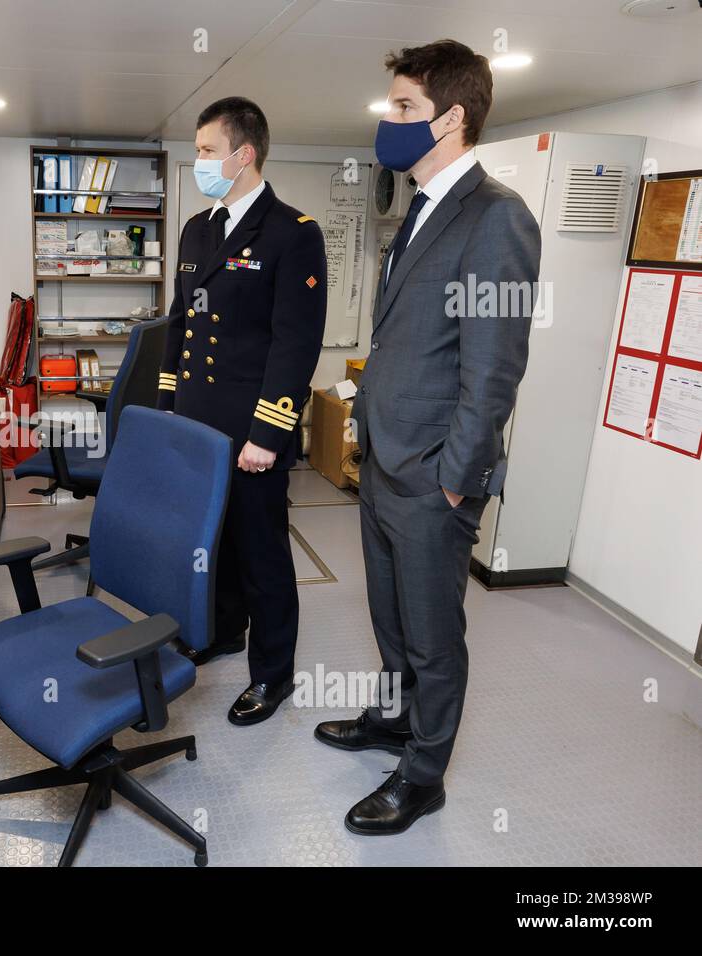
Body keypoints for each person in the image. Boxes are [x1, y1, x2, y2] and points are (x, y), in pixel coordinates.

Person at [314, 39, 540, 834]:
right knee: (391, 616)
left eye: (403, 107)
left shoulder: (498, 218)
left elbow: (494, 367)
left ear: (452, 117)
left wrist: (455, 479)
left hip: (433, 478)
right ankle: (396, 718)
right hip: (385, 463)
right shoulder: (421, 206)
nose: (388, 119)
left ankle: (424, 774)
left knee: (435, 633)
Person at [157, 97, 327, 726]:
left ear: (243, 153)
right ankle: (223, 632)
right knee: (215, 543)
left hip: (253, 429)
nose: (197, 161)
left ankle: (272, 675)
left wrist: (269, 432)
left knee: (261, 553)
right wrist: (169, 408)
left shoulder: (292, 233)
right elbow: (182, 324)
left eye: (205, 151)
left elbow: (295, 343)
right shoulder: (197, 229)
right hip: (199, 423)